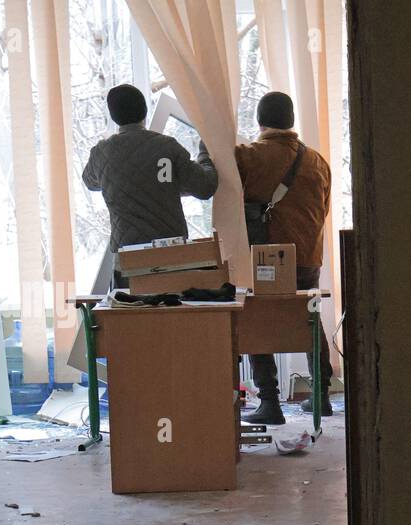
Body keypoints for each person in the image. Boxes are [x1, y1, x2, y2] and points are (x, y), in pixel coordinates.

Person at [235, 92, 334, 425]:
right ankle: (321, 396)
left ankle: (269, 403)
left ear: (260, 122)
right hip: (308, 257)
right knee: (309, 319)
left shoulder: (250, 155)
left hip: (267, 259)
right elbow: (323, 210)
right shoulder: (318, 161)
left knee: (255, 321)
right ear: (291, 121)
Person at [82, 84, 218, 288]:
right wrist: (205, 154)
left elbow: (89, 181)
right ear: (144, 111)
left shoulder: (102, 153)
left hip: (128, 259)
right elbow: (206, 187)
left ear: (113, 116)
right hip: (170, 255)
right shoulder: (166, 146)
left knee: (132, 317)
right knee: (171, 318)